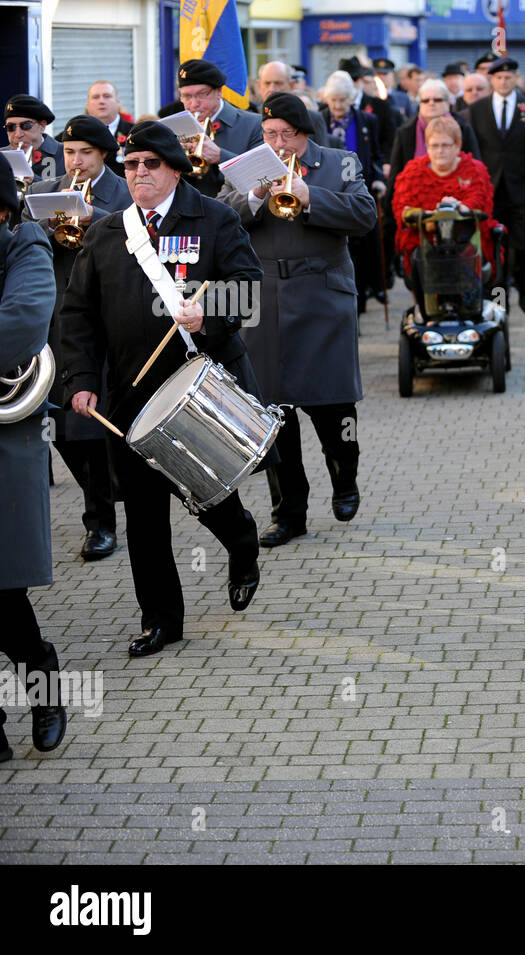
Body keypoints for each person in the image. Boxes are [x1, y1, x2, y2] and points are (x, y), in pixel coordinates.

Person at [60, 122, 264, 657]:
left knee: (208, 495)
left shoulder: (213, 218)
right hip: (129, 395)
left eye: (151, 164)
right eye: (131, 165)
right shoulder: (107, 233)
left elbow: (249, 291)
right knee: (144, 517)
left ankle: (242, 543)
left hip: (197, 385)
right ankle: (161, 619)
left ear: (176, 168)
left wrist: (209, 314)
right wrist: (81, 380)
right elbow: (77, 314)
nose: (139, 173)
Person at [219, 93, 376, 547]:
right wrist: (252, 195)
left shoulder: (340, 163)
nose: (280, 142)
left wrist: (311, 197)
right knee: (275, 416)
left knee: (333, 412)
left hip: (322, 297)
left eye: (288, 134)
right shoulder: (248, 166)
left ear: (306, 134)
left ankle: (344, 476)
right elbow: (220, 216)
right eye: (271, 134)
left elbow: (366, 215)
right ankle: (289, 512)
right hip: (266, 301)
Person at [24, 115, 131, 561]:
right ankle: (104, 494)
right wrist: (50, 227)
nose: (76, 161)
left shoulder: (124, 190)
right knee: (64, 430)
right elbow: (24, 240)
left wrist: (95, 217)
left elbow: (137, 236)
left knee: (90, 424)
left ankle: (100, 522)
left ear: (103, 154)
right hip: (56, 317)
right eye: (69, 152)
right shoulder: (43, 192)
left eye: (85, 152)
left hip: (105, 318)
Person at [0, 172, 68, 761]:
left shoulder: (27, 245)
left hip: (5, 439)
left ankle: (42, 679)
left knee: (1, 589)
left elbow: (22, 324)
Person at [466, 57, 525, 315]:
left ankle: (524, 288)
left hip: (521, 188)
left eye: (508, 77)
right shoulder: (478, 109)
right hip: (489, 190)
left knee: (524, 245)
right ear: (491, 80)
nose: (504, 82)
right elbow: (474, 150)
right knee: (494, 246)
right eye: (499, 78)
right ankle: (499, 299)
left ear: (516, 79)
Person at [393, 116, 500, 281]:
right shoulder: (412, 171)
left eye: (445, 145)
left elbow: (479, 200)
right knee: (418, 262)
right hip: (425, 240)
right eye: (434, 146)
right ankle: (423, 306)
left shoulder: (474, 169)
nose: (440, 151)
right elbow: (403, 208)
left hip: (466, 239)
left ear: (457, 145)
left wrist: (459, 207)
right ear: (427, 146)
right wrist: (431, 216)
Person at [320, 70, 387, 316]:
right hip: (327, 193)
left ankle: (360, 304)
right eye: (334, 100)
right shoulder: (319, 119)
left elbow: (377, 156)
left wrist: (379, 179)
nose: (338, 105)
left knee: (360, 252)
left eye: (343, 100)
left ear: (351, 99)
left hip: (358, 191)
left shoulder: (367, 121)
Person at [175, 59, 264, 199]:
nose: (194, 104)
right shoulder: (174, 127)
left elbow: (262, 177)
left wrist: (221, 156)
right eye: (187, 96)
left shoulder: (254, 124)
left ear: (219, 92)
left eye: (202, 94)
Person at [5, 94, 64, 182]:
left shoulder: (65, 154)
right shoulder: (2, 156)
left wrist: (35, 180)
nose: (18, 134)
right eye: (11, 127)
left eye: (26, 125)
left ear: (42, 126)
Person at [84, 81, 133, 177]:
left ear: (118, 101)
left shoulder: (135, 133)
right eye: (95, 97)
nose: (101, 101)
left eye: (107, 96)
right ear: (87, 104)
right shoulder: (74, 136)